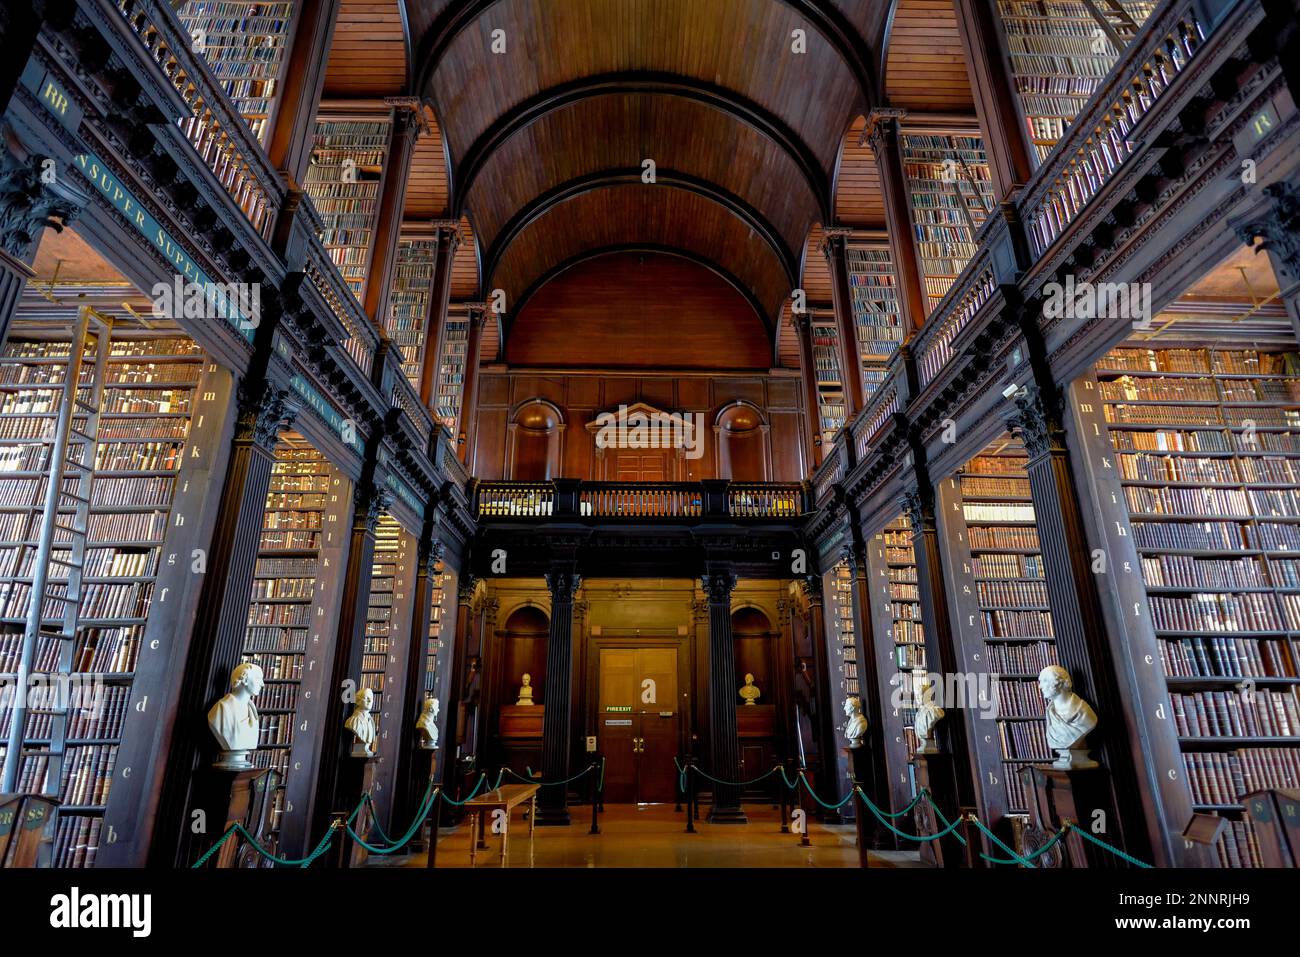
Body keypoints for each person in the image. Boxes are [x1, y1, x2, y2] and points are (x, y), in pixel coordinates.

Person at [207, 661, 263, 769]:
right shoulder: (223, 709)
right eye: (258, 678)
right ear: (245, 680)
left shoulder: (252, 710)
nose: (262, 684)